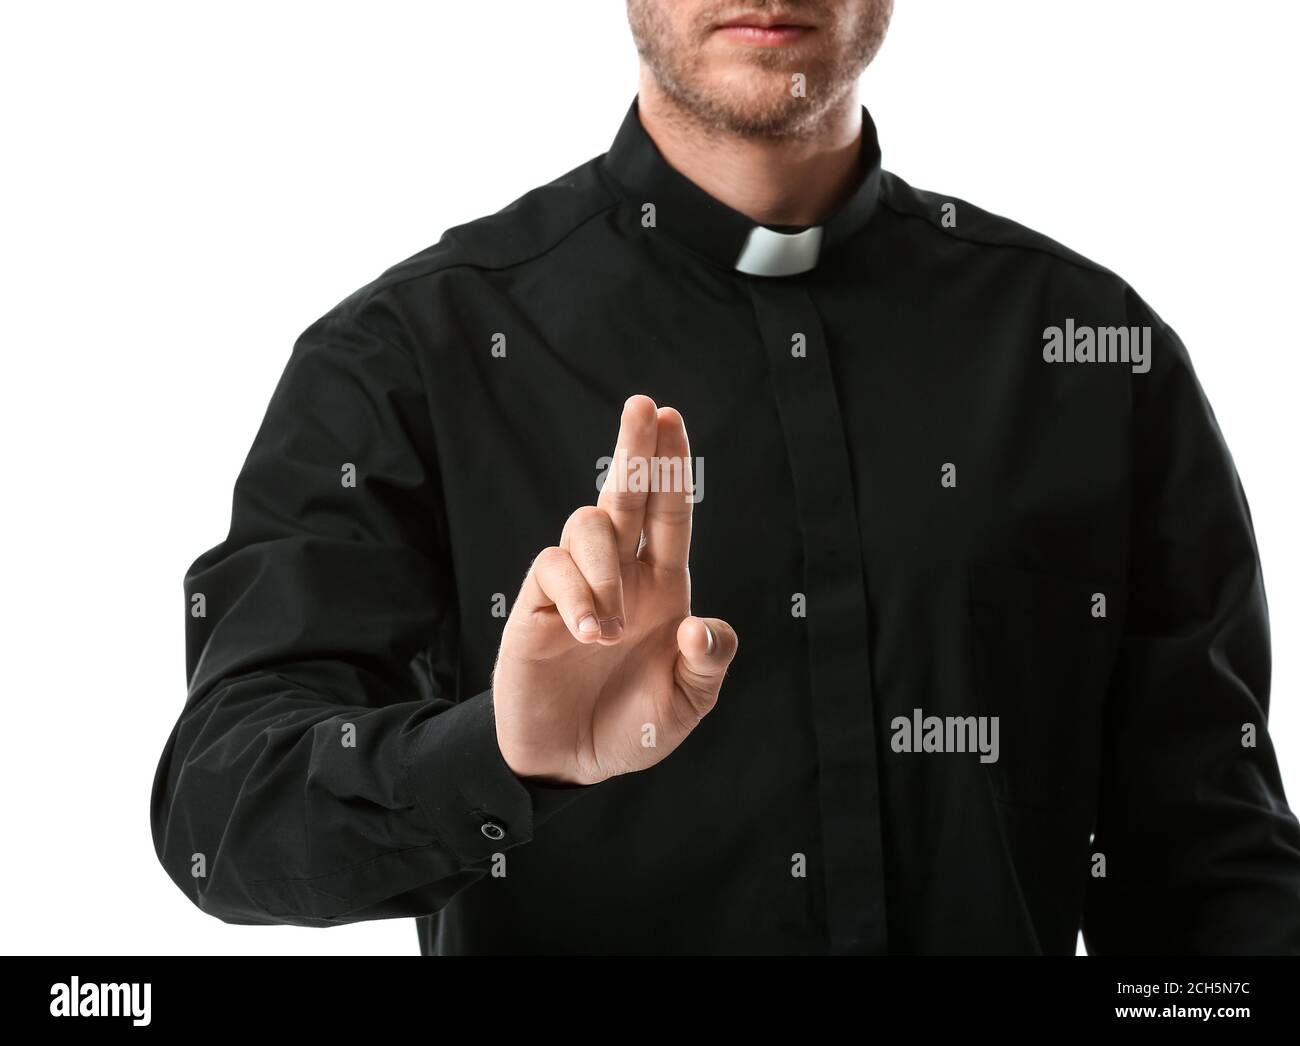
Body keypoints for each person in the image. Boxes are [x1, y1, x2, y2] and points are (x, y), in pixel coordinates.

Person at [150, 0, 1300, 954]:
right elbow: (221, 807)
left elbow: (1210, 865)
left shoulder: (1092, 354)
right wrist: (500, 754)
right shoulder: (405, 356)